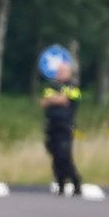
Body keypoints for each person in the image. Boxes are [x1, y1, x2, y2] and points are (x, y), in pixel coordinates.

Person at [40, 61, 82, 196]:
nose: (60, 74)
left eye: (63, 71)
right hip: (52, 126)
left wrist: (55, 99)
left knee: (65, 156)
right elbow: (44, 102)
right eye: (59, 71)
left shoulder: (74, 87)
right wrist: (57, 99)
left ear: (69, 73)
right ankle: (60, 184)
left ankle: (76, 182)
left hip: (66, 127)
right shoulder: (51, 86)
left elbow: (66, 100)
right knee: (55, 157)